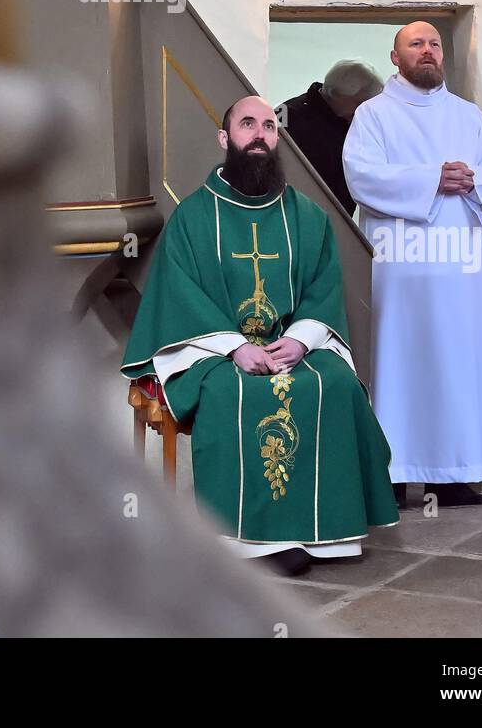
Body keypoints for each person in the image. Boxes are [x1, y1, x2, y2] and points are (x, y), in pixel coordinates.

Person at [122, 95, 399, 575]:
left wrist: (302, 339)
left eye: (269, 127)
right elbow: (180, 297)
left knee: (333, 383)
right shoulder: (193, 216)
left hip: (288, 344)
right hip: (217, 350)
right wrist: (234, 347)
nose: (259, 135)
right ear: (225, 138)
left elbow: (324, 288)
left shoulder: (307, 217)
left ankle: (324, 534)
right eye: (247, 124)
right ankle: (246, 543)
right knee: (232, 391)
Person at [342, 23, 482, 509]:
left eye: (435, 44)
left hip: (461, 274)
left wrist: (473, 177)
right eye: (416, 44)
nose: (428, 51)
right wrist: (431, 179)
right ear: (395, 57)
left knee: (455, 368)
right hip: (399, 274)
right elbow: (361, 176)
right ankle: (392, 477)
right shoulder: (373, 115)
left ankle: (452, 477)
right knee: (396, 367)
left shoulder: (468, 116)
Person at [276, 60, 383, 214]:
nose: (365, 110)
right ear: (336, 94)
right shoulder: (285, 115)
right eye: (360, 103)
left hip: (337, 218)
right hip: (295, 214)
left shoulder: (350, 120)